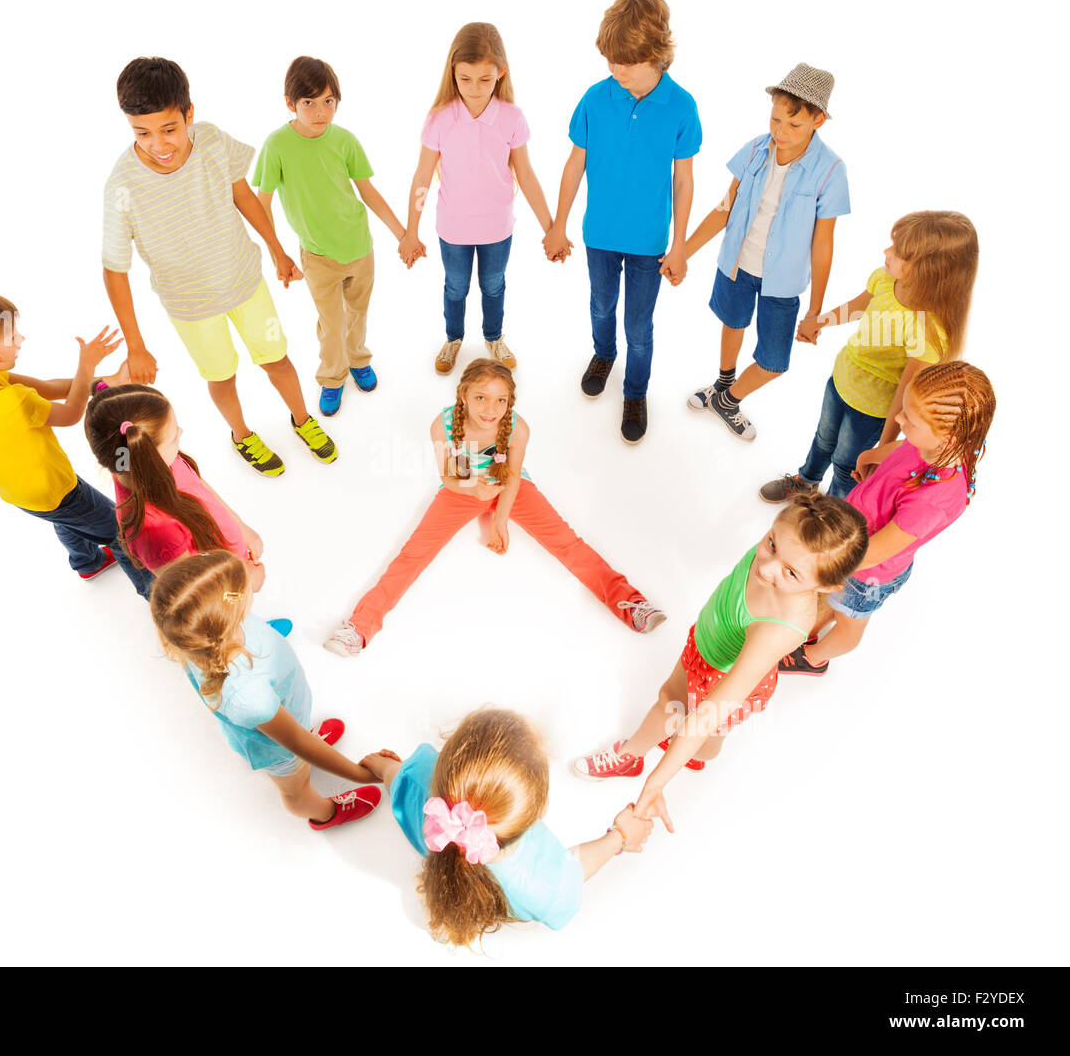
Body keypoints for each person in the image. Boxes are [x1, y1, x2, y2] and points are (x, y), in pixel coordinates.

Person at [324, 359, 664, 655]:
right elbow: (449, 477)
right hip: (463, 488)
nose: (490, 409)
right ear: (464, 397)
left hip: (509, 486)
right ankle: (359, 627)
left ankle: (632, 604)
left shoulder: (518, 427)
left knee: (567, 543)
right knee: (413, 555)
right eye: (481, 398)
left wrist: (500, 519)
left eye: (500, 400)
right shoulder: (441, 425)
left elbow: (513, 477)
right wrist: (474, 489)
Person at [101, 56, 336, 477]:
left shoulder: (211, 141)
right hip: (191, 306)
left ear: (189, 114)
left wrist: (278, 250)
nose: (159, 144)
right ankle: (242, 434)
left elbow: (242, 195)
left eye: (169, 129)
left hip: (245, 282)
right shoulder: (122, 186)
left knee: (276, 358)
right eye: (142, 133)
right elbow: (115, 269)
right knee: (222, 375)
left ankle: (303, 419)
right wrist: (135, 345)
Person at [573, 492, 867, 796]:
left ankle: (693, 752)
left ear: (825, 586)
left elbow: (710, 711)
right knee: (668, 700)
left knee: (706, 738)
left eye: (790, 572)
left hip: (726, 678)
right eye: (771, 544)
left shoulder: (780, 628)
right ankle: (632, 757)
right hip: (705, 641)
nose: (766, 568)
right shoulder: (791, 548)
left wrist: (657, 782)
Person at [543, 0, 701, 443]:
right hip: (599, 236)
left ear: (656, 55)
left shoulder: (682, 106)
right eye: (610, 60)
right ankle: (603, 354)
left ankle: (635, 390)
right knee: (600, 305)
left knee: (640, 326)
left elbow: (683, 179)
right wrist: (558, 223)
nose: (615, 70)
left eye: (625, 63)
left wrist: (681, 244)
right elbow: (575, 163)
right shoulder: (596, 98)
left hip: (651, 241)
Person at [360, 708, 653, 945]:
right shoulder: (549, 889)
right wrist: (621, 836)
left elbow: (399, 779)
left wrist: (385, 768)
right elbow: (579, 865)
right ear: (541, 809)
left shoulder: (416, 778)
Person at [0, 288, 151, 593]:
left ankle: (88, 563)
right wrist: (86, 366)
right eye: (10, 336)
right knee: (125, 531)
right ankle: (156, 595)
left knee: (67, 518)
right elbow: (71, 412)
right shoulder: (12, 402)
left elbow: (48, 388)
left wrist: (107, 381)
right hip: (55, 488)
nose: (20, 339)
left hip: (21, 492)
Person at [778, 361, 995, 675]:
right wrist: (870, 456)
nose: (898, 418)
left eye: (909, 419)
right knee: (832, 604)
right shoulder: (936, 443)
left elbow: (874, 553)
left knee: (848, 623)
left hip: (867, 575)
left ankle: (813, 658)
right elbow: (905, 446)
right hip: (854, 546)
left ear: (946, 437)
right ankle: (817, 619)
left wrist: (824, 569)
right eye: (904, 409)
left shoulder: (934, 499)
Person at [151, 551, 384, 830]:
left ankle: (306, 752)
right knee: (296, 788)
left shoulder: (204, 628)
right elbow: (297, 742)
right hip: (280, 748)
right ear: (225, 614)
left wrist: (242, 579)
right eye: (241, 587)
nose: (247, 586)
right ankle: (325, 813)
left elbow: (231, 595)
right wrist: (360, 774)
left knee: (299, 742)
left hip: (284, 714)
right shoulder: (249, 696)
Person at [760, 212, 977, 501]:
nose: (887, 253)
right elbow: (860, 306)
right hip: (841, 381)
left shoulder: (927, 330)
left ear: (929, 271)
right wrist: (822, 321)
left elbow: (905, 394)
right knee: (823, 440)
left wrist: (881, 451)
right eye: (893, 245)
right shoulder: (885, 280)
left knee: (846, 466)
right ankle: (806, 480)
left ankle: (828, 516)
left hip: (871, 410)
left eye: (899, 253)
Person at [684, 63, 850, 441]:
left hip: (784, 280)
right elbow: (725, 207)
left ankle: (728, 401)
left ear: (818, 120)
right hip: (737, 264)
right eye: (775, 120)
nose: (780, 132)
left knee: (774, 362)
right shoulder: (757, 148)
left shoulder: (830, 171)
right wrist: (684, 252)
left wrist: (815, 310)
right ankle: (722, 383)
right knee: (733, 322)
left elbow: (823, 244)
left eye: (794, 125)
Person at [254, 56, 409, 417]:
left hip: (359, 247)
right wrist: (279, 254)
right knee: (331, 323)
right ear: (290, 103)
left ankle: (358, 359)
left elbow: (367, 191)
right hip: (318, 256)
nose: (320, 112)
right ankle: (332, 377)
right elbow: (262, 204)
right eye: (308, 103)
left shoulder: (345, 140)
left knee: (357, 313)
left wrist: (402, 234)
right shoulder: (277, 145)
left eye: (328, 102)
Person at [398, 22, 556, 375]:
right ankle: (453, 338)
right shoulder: (440, 118)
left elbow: (526, 176)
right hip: (452, 229)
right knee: (455, 286)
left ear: (501, 73)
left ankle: (494, 336)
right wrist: (411, 231)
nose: (474, 89)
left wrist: (551, 228)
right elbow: (422, 177)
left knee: (493, 284)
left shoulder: (512, 118)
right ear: (452, 72)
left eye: (485, 80)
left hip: (498, 229)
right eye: (464, 78)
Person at [83, 382, 266, 594]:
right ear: (144, 454)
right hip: (225, 598)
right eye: (172, 437)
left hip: (232, 561)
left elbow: (198, 486)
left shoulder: (138, 461)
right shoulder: (153, 531)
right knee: (236, 627)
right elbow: (196, 593)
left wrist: (240, 526)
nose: (181, 432)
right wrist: (243, 587)